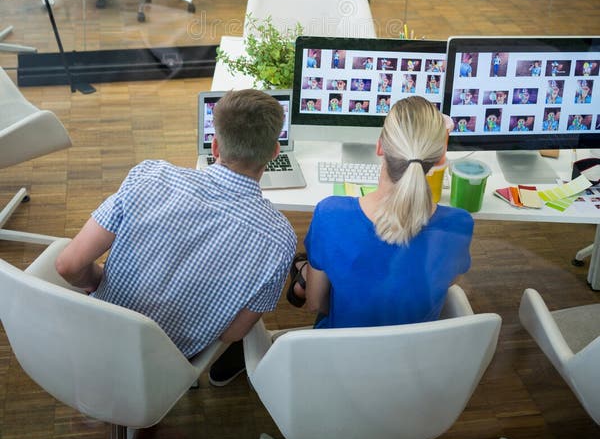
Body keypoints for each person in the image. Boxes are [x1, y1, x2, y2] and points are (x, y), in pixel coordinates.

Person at [54, 89, 297, 384]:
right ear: (274, 153)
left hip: (92, 338)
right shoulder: (280, 240)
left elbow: (67, 265)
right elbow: (232, 333)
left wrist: (97, 281)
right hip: (165, 369)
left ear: (215, 146)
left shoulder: (149, 176)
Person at [287, 97, 473, 328]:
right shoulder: (459, 224)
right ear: (440, 158)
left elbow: (316, 304)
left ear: (380, 146)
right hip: (416, 357)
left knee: (317, 272)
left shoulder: (331, 215)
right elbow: (445, 284)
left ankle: (304, 271)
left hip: (341, 355)